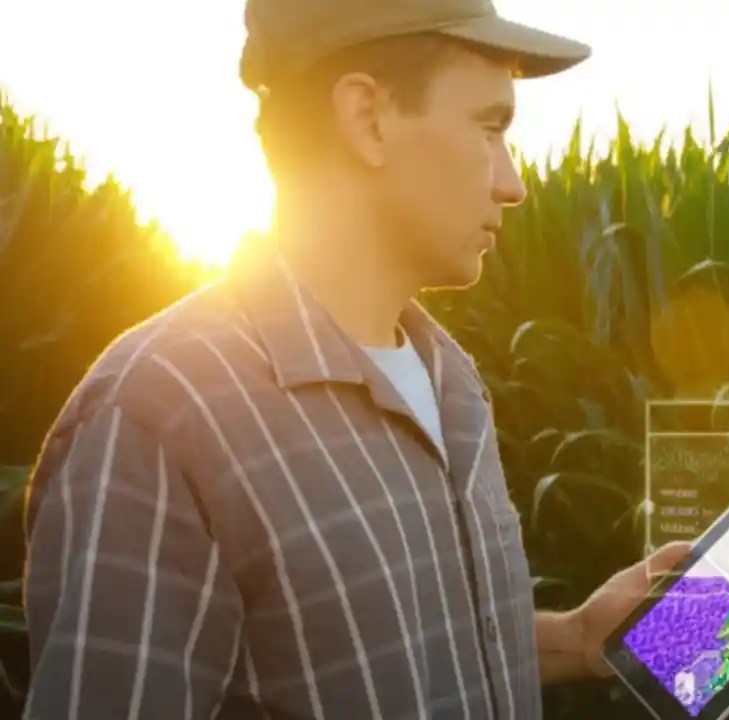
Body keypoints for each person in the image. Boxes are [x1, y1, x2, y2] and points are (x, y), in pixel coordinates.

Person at [20, 0, 691, 717]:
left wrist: (577, 639)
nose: (513, 183)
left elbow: (376, 649)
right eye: (490, 128)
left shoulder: (451, 381)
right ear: (367, 119)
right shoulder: (160, 417)